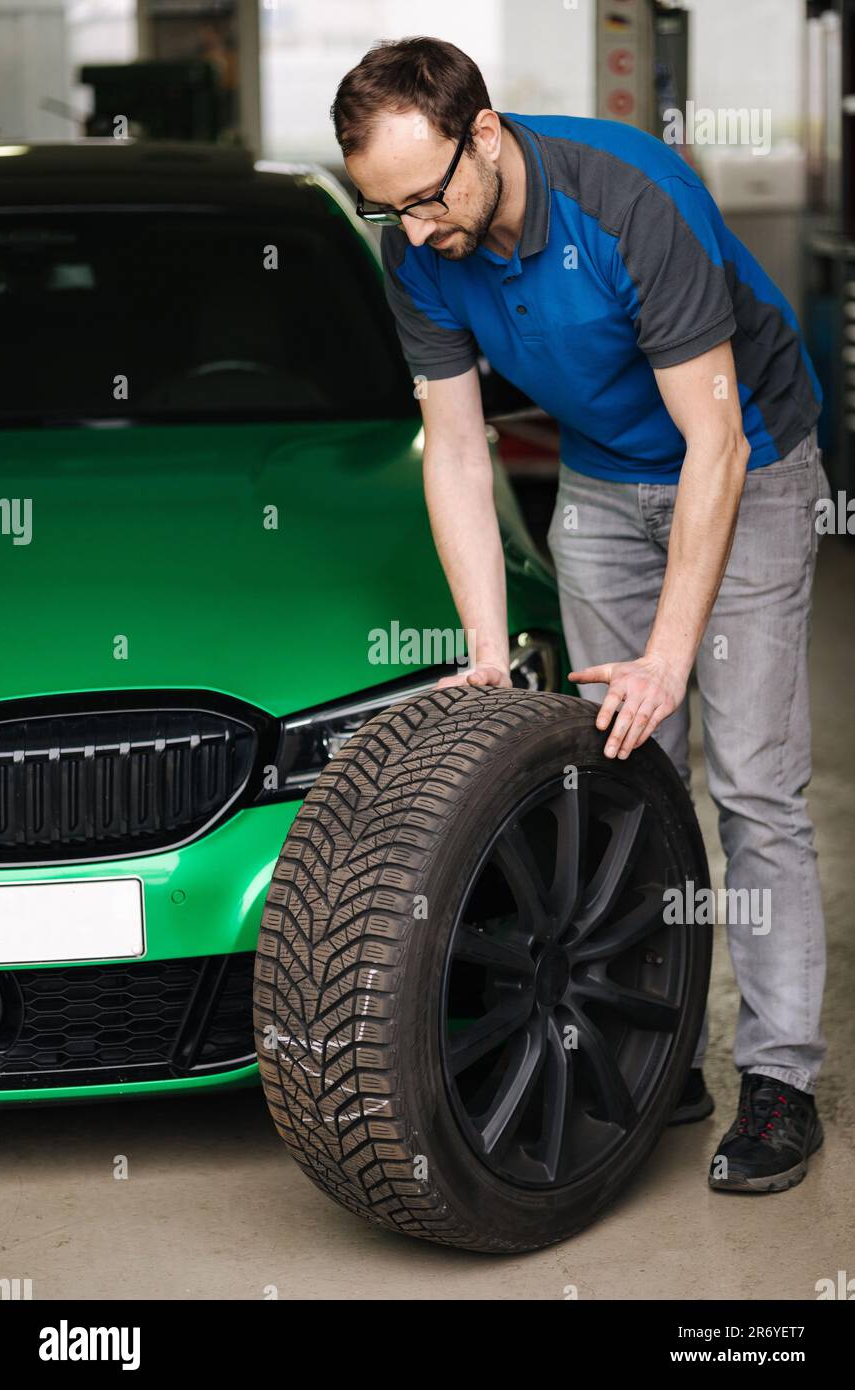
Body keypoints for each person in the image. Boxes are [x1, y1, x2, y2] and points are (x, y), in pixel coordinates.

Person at [331, 36, 828, 1194]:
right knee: (620, 775)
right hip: (603, 483)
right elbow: (454, 450)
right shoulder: (421, 255)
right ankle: (657, 1044)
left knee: (751, 774)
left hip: (748, 466)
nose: (412, 230)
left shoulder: (627, 201)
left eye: (422, 199)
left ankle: (778, 1079)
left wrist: (665, 654)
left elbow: (715, 440)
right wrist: (488, 652)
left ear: (486, 134)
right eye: (383, 211)